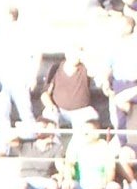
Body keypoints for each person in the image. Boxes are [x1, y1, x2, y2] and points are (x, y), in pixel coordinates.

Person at [0, 7, 41, 157]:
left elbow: (37, 52)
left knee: (25, 112)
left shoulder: (23, 31)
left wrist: (33, 75)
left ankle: (32, 147)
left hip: (19, 77)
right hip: (2, 78)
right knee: (2, 115)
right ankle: (3, 149)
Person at [41, 47, 101, 128]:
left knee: (91, 115)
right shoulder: (56, 68)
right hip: (59, 111)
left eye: (78, 52)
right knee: (48, 113)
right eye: (73, 52)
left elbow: (95, 73)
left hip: (81, 111)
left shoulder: (85, 68)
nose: (75, 55)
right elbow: (45, 94)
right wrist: (50, 105)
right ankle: (53, 140)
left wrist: (85, 59)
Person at [106, 14, 137, 147]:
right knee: (120, 119)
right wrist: (106, 81)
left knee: (132, 115)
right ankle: (125, 147)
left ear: (129, 26)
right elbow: (109, 65)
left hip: (134, 83)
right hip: (119, 84)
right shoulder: (115, 44)